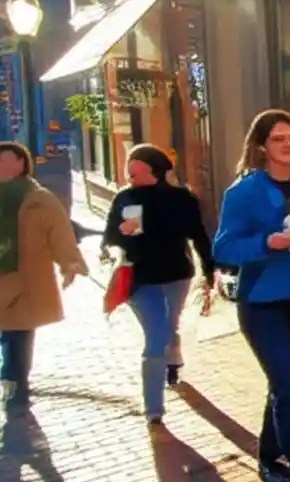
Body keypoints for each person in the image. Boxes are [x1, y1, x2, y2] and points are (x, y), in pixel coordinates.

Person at [212, 110, 290, 482]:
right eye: (279, 139)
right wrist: (269, 241)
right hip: (261, 302)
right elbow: (223, 249)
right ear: (262, 145)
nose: (288, 144)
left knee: (283, 385)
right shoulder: (243, 192)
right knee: (288, 389)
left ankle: (267, 457)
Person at [103, 144, 214, 423]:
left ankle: (173, 361)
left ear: (154, 170)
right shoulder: (125, 199)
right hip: (139, 280)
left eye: (135, 167)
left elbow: (198, 235)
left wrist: (210, 271)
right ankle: (154, 408)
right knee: (157, 335)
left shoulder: (181, 199)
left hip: (176, 275)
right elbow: (110, 239)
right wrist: (122, 233)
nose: (130, 172)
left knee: (170, 324)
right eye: (129, 168)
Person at [0, 142, 88, 413]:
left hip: (25, 279)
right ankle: (10, 378)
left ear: (22, 164)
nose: (4, 166)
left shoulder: (39, 199)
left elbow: (60, 235)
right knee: (7, 335)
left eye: (10, 161)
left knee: (19, 335)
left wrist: (69, 264)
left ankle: (16, 383)